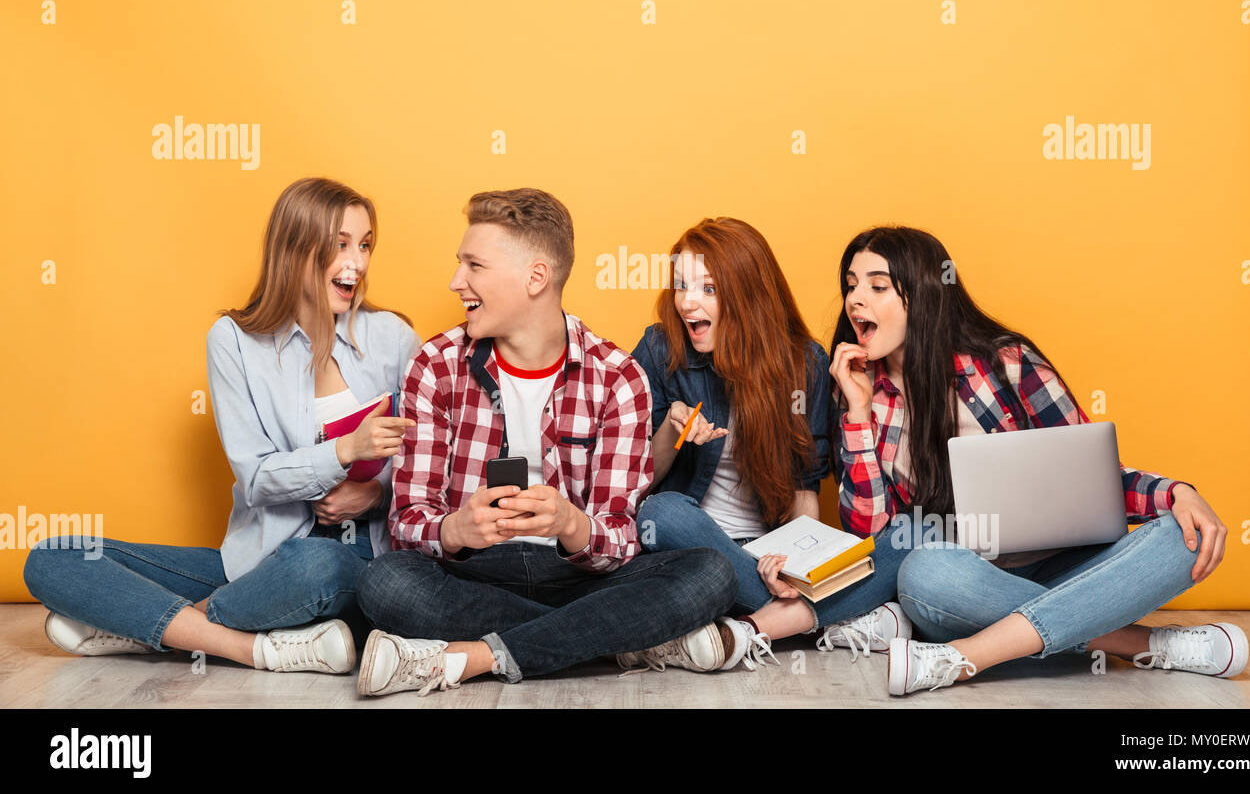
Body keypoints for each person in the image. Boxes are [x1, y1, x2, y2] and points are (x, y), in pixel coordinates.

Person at [822, 226, 1246, 695]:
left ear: (922, 295)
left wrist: (1176, 493)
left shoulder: (1009, 363)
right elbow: (872, 538)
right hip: (972, 583)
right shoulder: (860, 395)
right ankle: (1142, 643)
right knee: (922, 573)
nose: (855, 299)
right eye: (851, 284)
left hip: (1070, 565)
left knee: (1182, 535)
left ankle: (966, 656)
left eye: (877, 286)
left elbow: (1092, 480)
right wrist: (858, 415)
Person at [24, 177, 422, 674]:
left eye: (364, 246)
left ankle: (157, 631)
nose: (357, 263)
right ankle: (251, 647)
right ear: (295, 249)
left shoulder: (395, 338)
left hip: (357, 559)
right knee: (54, 556)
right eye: (340, 245)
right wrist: (340, 452)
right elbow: (256, 479)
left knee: (316, 564)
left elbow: (428, 465)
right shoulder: (233, 340)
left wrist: (377, 495)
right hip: (257, 562)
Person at [354, 188, 738, 697]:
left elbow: (620, 538)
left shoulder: (618, 378)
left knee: (711, 573)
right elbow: (406, 525)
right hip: (475, 576)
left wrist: (571, 523)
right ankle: (618, 637)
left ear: (536, 278)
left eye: (474, 266)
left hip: (580, 576)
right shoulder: (435, 365)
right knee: (385, 583)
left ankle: (476, 656)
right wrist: (456, 529)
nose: (456, 282)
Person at [631, 217, 920, 670]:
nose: (687, 302)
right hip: (692, 547)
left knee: (913, 536)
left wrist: (792, 561)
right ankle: (825, 618)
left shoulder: (805, 363)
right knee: (660, 512)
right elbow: (632, 479)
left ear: (747, 294)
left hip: (767, 552)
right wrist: (670, 429)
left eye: (708, 289)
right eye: (681, 285)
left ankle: (746, 627)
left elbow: (805, 487)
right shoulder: (660, 349)